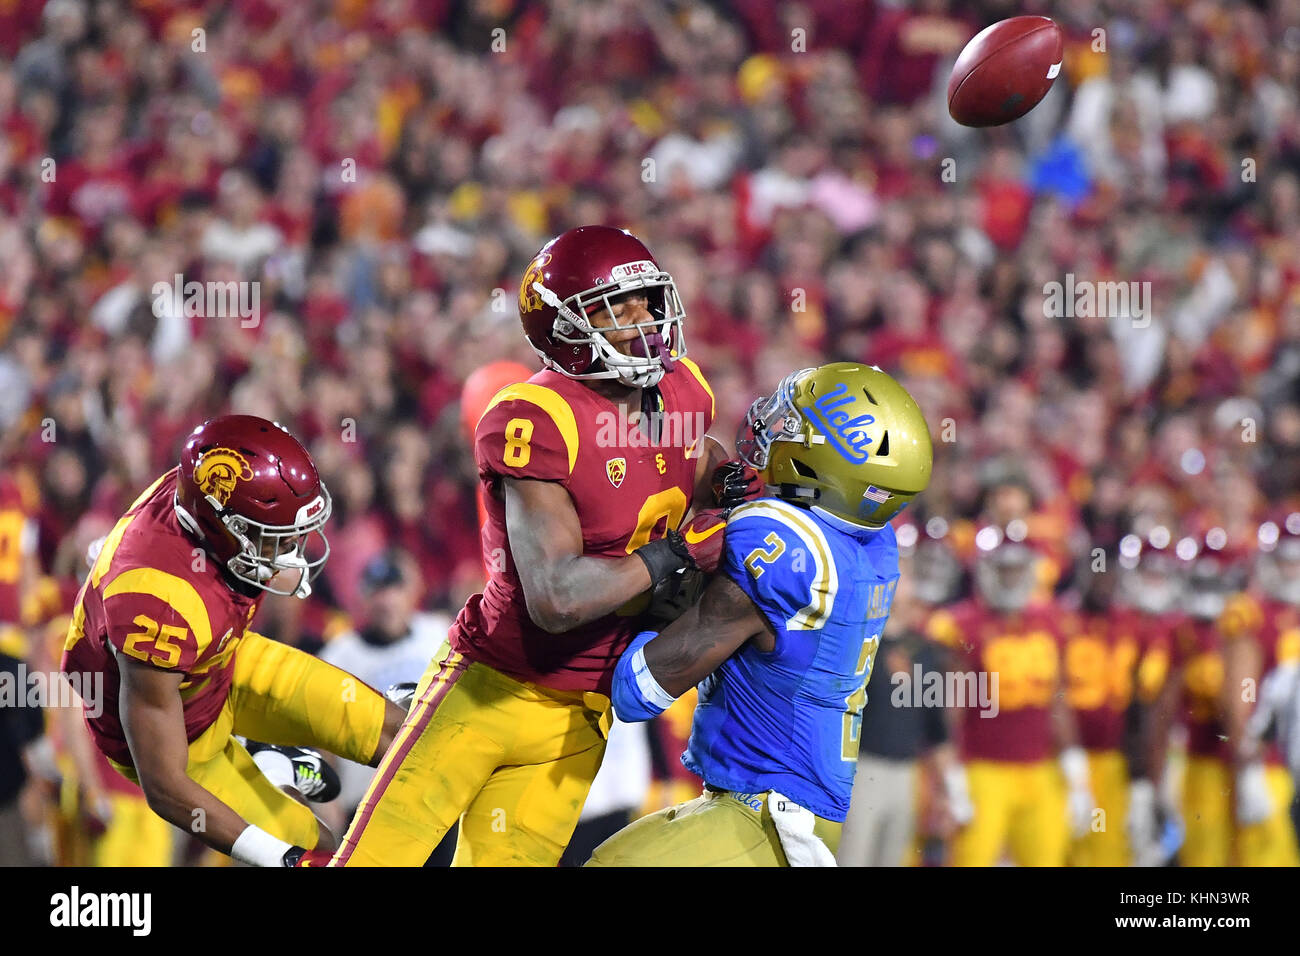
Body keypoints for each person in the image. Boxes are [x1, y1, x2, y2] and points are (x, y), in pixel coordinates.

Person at [332, 225, 735, 866]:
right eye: (615, 307)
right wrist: (680, 553)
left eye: (648, 301)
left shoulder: (683, 387)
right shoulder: (539, 419)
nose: (644, 321)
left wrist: (725, 481)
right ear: (564, 329)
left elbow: (692, 454)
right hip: (490, 687)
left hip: (581, 715)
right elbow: (558, 598)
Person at [587, 361, 933, 866]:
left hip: (766, 815)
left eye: (793, 426)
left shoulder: (776, 549)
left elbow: (637, 691)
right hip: (789, 805)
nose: (773, 428)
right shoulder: (871, 540)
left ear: (830, 459)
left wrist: (672, 559)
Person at [60, 415, 405, 867]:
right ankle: (262, 764)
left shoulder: (201, 495)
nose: (296, 548)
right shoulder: (159, 604)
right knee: (319, 848)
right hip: (180, 737)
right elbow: (164, 784)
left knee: (397, 732)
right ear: (228, 530)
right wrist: (282, 859)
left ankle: (267, 760)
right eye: (274, 537)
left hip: (223, 659)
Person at [317, 550, 448, 821]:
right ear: (363, 598)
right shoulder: (338, 656)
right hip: (368, 803)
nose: (386, 601)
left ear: (410, 593)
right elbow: (321, 734)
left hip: (437, 794)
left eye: (393, 590)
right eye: (377, 592)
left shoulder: (438, 634)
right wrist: (327, 799)